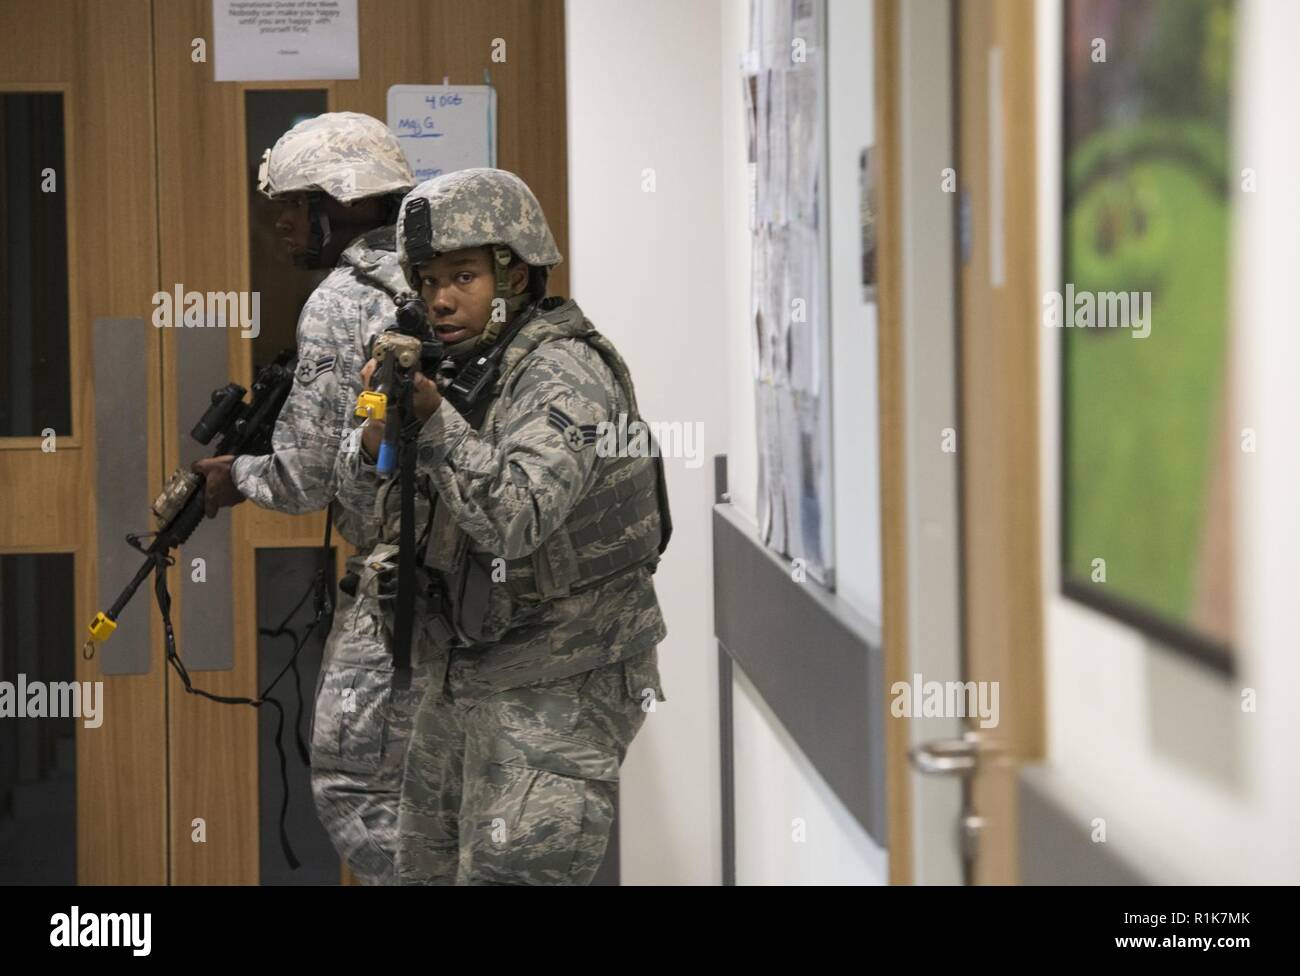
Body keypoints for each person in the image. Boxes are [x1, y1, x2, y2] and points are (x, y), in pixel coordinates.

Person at [333, 168, 671, 884]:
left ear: (515, 276)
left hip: (559, 680)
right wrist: (375, 437)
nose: (440, 299)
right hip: (463, 671)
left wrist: (431, 420)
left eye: (463, 276)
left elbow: (518, 517)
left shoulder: (565, 374)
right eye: (427, 281)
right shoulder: (455, 370)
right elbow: (363, 515)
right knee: (420, 871)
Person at [191, 111, 427, 885]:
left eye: (296, 204)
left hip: (409, 579)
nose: (283, 221)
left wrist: (236, 478)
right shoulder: (451, 272)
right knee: (445, 776)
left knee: (356, 787)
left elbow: (303, 479)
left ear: (347, 200)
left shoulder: (341, 298)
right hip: (485, 572)